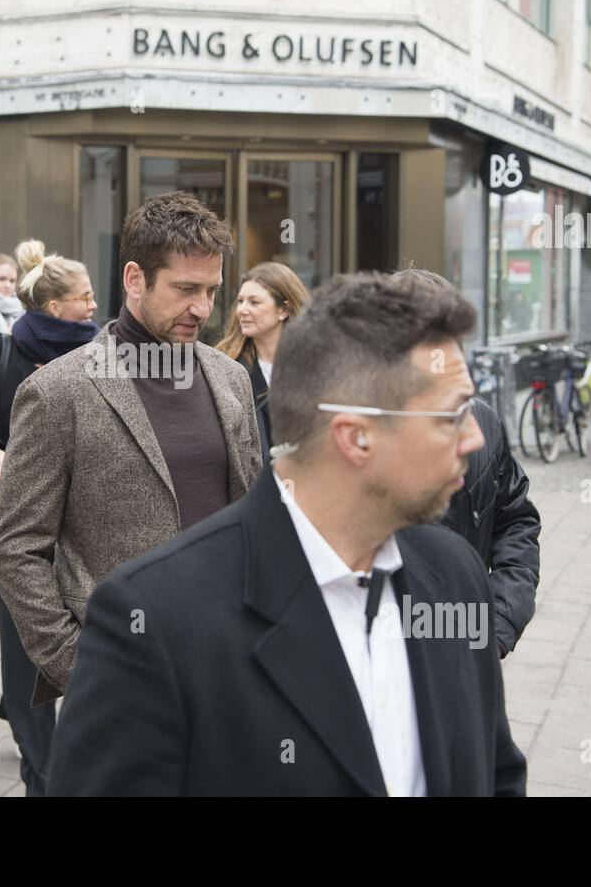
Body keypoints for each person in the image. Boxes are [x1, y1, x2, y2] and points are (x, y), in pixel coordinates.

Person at [47, 271, 526, 796]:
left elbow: (496, 773)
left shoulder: (454, 574)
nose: (475, 437)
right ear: (356, 437)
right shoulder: (156, 623)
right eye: (451, 415)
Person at [0, 191, 262, 706]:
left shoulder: (231, 379)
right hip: (123, 681)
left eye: (211, 290)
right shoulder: (58, 391)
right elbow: (15, 546)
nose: (202, 308)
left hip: (228, 664)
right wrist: (81, 665)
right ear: (135, 279)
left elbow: (252, 516)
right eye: (185, 289)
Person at [0, 241, 98, 796]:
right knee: (24, 660)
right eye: (84, 296)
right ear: (54, 305)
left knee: (87, 654)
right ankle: (43, 778)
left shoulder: (107, 355)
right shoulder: (2, 352)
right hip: (21, 534)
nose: (92, 304)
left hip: (88, 532)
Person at [394, 269, 540, 659]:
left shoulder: (482, 422)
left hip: (467, 649)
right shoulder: (360, 435)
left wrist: (498, 625)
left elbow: (517, 521)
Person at [215, 261, 310, 466]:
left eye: (254, 302)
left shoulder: (315, 366)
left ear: (283, 310)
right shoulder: (225, 367)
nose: (242, 310)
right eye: (240, 301)